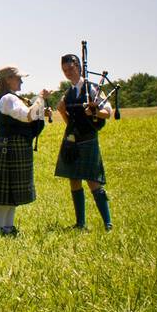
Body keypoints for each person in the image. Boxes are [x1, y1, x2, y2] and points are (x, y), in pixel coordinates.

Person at [0, 65, 50, 235]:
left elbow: (25, 116)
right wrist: (41, 97)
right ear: (8, 79)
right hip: (10, 147)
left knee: (11, 192)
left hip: (11, 146)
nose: (21, 81)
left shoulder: (10, 98)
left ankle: (7, 228)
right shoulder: (8, 99)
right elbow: (28, 116)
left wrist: (41, 109)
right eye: (18, 78)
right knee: (5, 193)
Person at [55, 53, 114, 231]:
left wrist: (94, 112)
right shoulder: (68, 93)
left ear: (79, 67)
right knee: (74, 180)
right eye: (65, 70)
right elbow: (69, 122)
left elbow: (108, 112)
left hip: (88, 139)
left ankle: (108, 223)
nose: (68, 73)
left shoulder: (93, 88)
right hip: (72, 139)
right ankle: (80, 224)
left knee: (93, 181)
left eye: (71, 69)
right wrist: (62, 112)